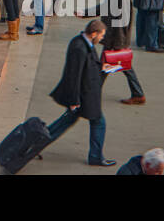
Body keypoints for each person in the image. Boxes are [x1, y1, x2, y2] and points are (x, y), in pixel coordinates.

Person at [46, 18, 114, 166]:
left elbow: (84, 67)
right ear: (94, 33)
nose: (102, 39)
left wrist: (101, 67)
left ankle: (36, 143)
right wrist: (74, 101)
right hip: (84, 96)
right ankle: (95, 156)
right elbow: (74, 76)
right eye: (101, 35)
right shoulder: (80, 48)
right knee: (98, 122)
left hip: (83, 95)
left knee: (65, 122)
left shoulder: (82, 42)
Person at [103, 6, 146, 105]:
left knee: (107, 65)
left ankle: (92, 94)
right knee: (112, 66)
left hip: (115, 40)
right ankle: (138, 94)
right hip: (113, 38)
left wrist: (118, 45)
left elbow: (121, 22)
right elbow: (104, 7)